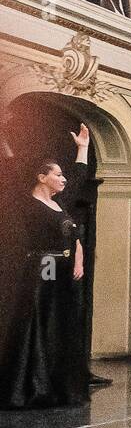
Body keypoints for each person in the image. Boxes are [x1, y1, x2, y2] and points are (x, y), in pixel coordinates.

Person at [0, 126, 91, 409]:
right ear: (42, 177)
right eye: (57, 174)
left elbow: (77, 180)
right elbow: (12, 171)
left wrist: (83, 149)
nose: (63, 179)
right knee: (41, 324)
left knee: (61, 327)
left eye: (63, 175)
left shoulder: (59, 203)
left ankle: (58, 385)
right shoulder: (28, 204)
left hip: (64, 271)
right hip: (43, 268)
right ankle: (34, 386)